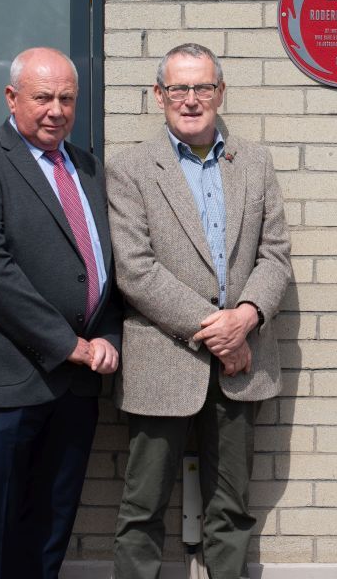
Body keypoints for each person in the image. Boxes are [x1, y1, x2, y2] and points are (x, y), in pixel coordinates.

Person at [108, 43, 292, 579]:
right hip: (164, 361)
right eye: (179, 89)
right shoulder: (131, 169)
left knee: (231, 509)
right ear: (159, 95)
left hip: (244, 364)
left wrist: (248, 317)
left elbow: (275, 254)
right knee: (142, 511)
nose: (191, 100)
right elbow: (136, 270)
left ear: (220, 92)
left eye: (203, 88)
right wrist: (219, 331)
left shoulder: (254, 162)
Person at [0, 46, 122, 579]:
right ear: (12, 98)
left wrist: (109, 333)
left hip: (76, 388)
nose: (56, 110)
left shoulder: (88, 167)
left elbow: (106, 265)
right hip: (6, 384)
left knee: (50, 532)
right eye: (43, 97)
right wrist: (65, 343)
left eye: (66, 99)